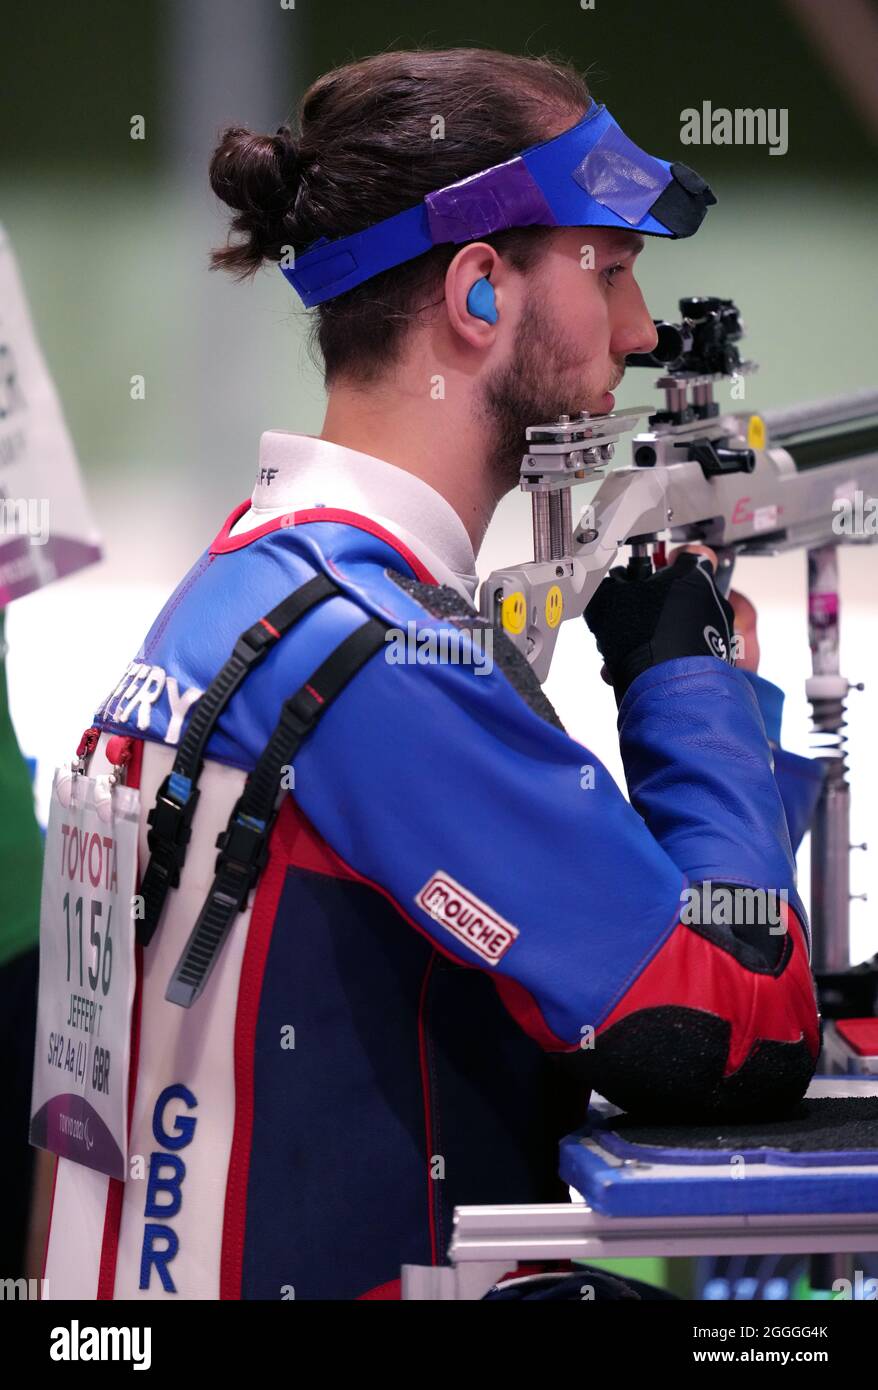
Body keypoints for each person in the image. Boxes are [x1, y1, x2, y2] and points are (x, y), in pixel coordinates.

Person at [42, 47, 823, 1302]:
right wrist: (690, 677)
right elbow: (730, 1023)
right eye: (611, 272)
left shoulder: (253, 584)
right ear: (476, 294)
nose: (634, 332)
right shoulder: (384, 657)